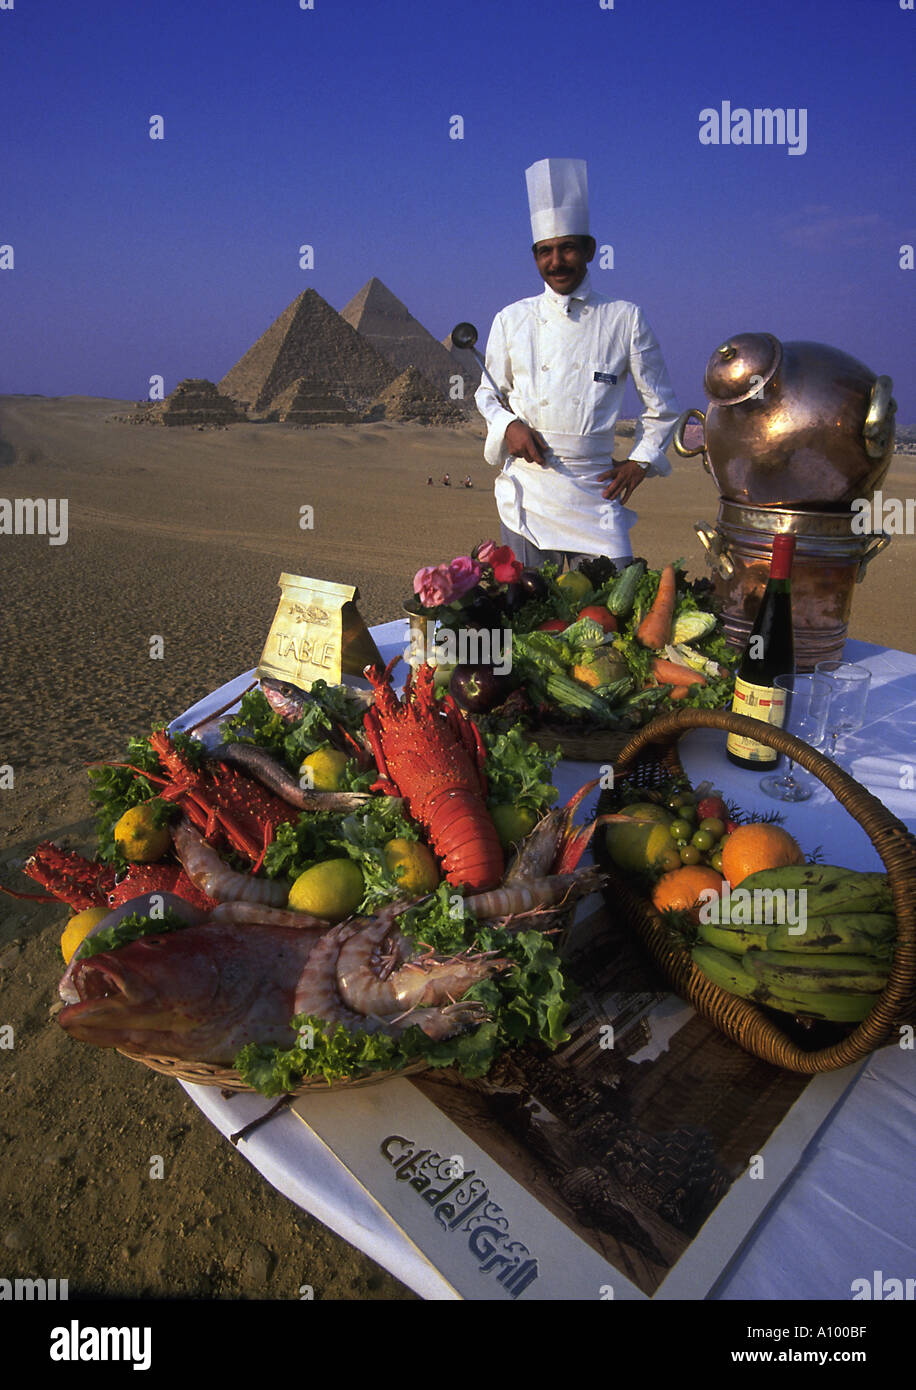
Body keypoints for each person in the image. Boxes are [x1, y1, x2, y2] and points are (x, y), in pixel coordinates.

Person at [475, 157, 680, 571]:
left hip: (596, 492)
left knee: (610, 620)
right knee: (526, 617)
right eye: (545, 251)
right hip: (528, 493)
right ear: (534, 256)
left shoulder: (625, 318)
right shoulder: (510, 319)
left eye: (568, 247)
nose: (556, 262)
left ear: (590, 249)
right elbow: (487, 393)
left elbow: (663, 408)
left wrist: (641, 461)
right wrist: (507, 426)